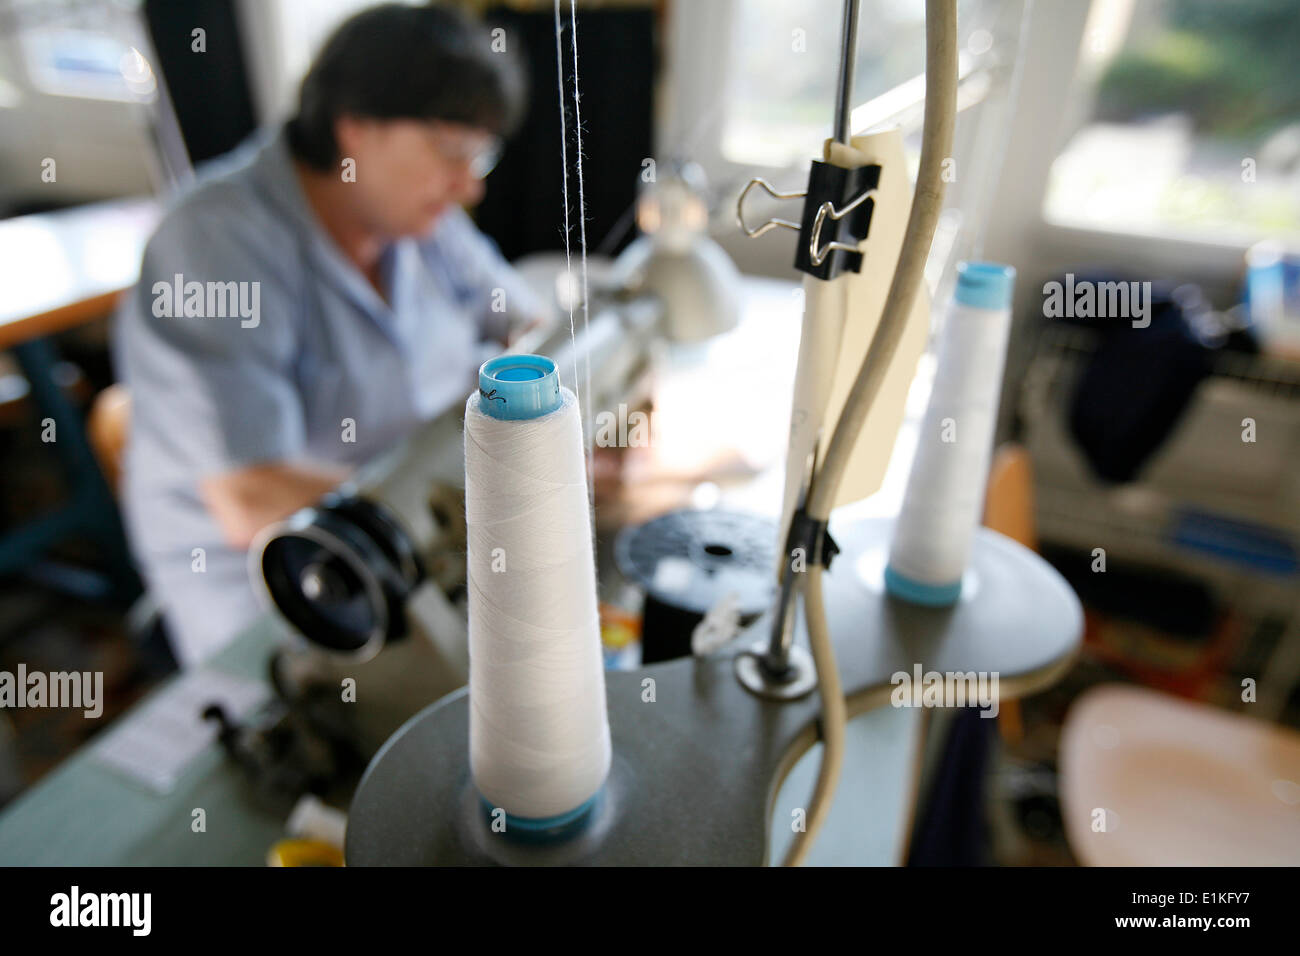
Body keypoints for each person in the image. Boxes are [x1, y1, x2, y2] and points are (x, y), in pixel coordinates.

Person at [113, 3, 547, 667]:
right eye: (451, 151)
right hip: (289, 582)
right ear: (356, 129)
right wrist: (489, 508)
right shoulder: (214, 246)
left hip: (426, 526)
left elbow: (528, 328)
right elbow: (251, 495)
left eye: (480, 157)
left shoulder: (418, 221)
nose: (469, 186)